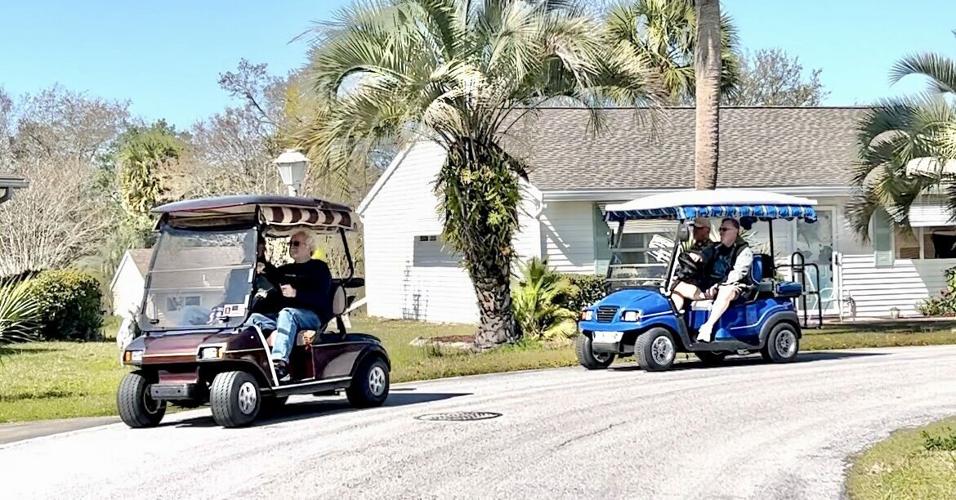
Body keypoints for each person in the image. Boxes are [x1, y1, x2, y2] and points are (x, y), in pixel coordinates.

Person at [244, 230, 333, 382]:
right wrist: (259, 259)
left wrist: (296, 294)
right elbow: (271, 273)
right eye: (290, 243)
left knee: (287, 313)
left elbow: (322, 298)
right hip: (283, 317)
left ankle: (279, 363)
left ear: (309, 246)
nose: (292, 247)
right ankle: (248, 361)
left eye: (296, 243)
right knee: (253, 318)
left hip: (312, 316)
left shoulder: (319, 269)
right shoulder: (286, 270)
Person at [669, 218, 753, 343]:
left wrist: (719, 285)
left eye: (725, 229)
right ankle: (674, 328)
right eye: (720, 229)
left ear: (736, 231)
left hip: (736, 287)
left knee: (726, 290)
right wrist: (695, 258)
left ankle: (708, 326)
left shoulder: (743, 251)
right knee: (675, 287)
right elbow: (704, 255)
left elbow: (738, 274)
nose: (721, 232)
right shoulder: (716, 247)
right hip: (710, 287)